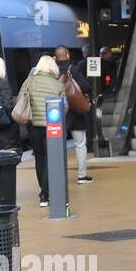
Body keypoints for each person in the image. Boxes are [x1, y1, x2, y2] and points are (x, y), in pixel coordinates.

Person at [24, 53, 64, 207]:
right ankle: (46, 194)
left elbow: (21, 100)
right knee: (50, 158)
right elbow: (64, 106)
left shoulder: (29, 82)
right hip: (51, 127)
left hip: (33, 127)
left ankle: (43, 193)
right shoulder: (57, 84)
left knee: (39, 159)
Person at [55, 46, 94, 184]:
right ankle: (82, 176)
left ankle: (57, 177)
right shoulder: (73, 68)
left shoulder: (52, 70)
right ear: (67, 54)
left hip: (56, 113)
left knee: (56, 146)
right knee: (80, 144)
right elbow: (85, 86)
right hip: (74, 112)